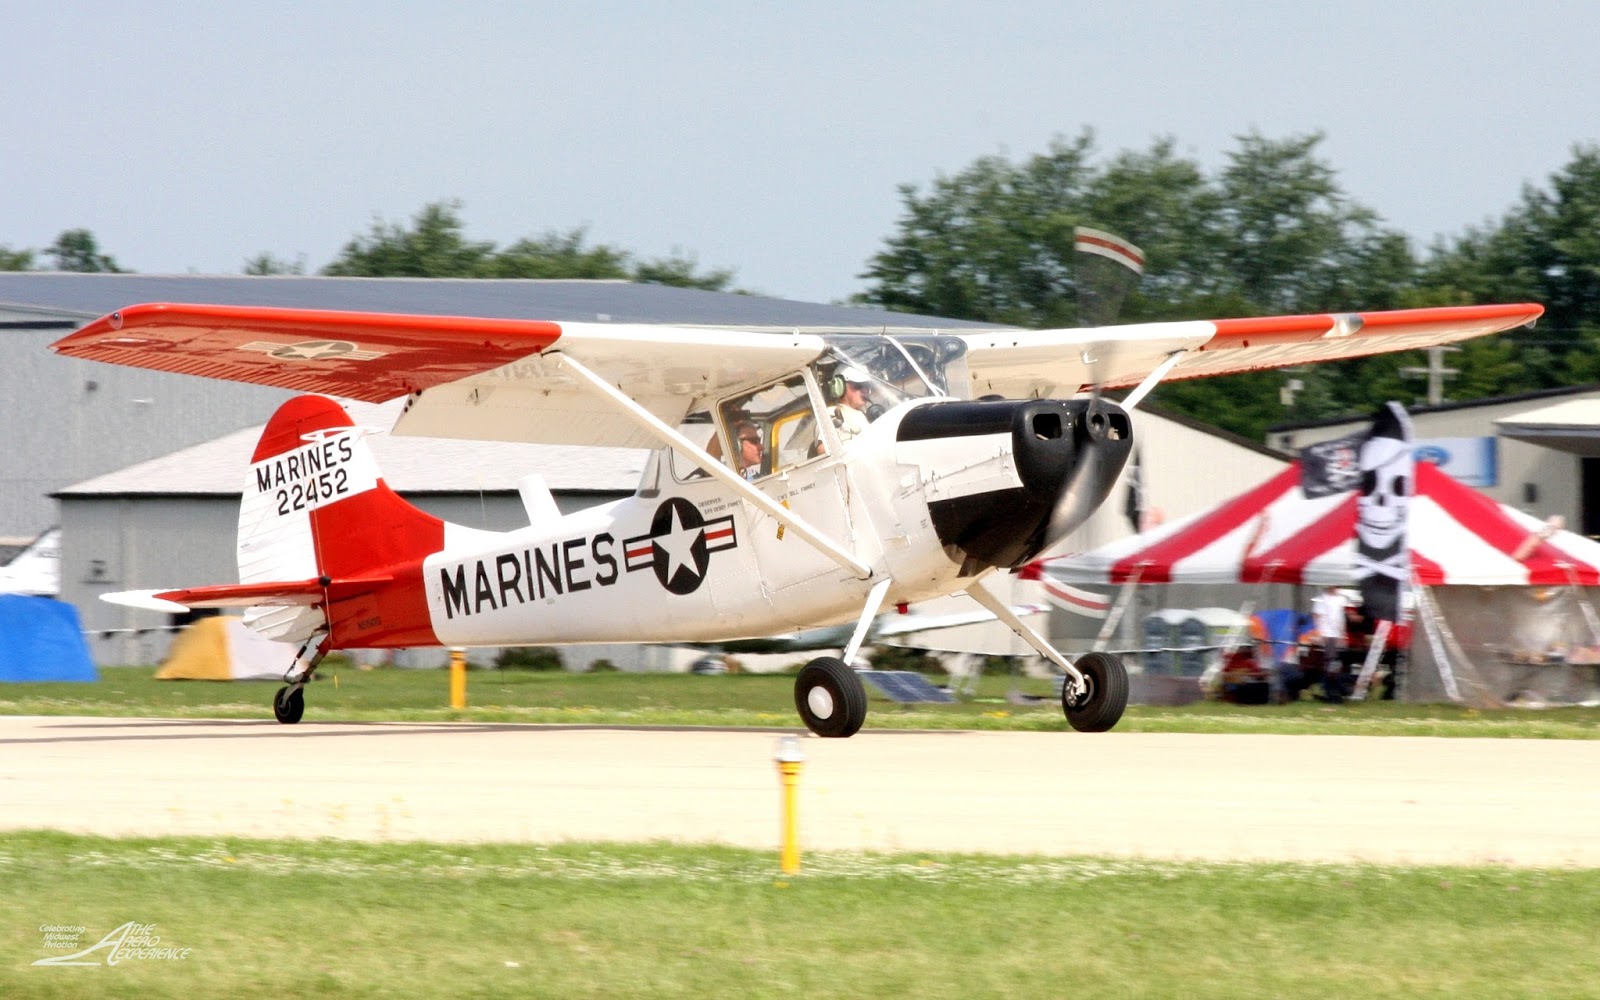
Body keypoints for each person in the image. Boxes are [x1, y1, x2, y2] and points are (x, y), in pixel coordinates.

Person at [1311, 585, 1349, 703]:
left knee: (1335, 663)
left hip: (1337, 635)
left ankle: (1334, 689)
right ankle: (1333, 690)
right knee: (1332, 662)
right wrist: (1321, 633)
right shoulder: (1322, 599)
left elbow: (1341, 618)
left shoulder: (1341, 599)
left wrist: (1342, 634)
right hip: (1327, 634)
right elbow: (1317, 617)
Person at [828, 369, 872, 443]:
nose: (865, 390)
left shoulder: (866, 412)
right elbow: (823, 449)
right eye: (858, 386)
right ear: (840, 387)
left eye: (867, 386)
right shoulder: (833, 413)